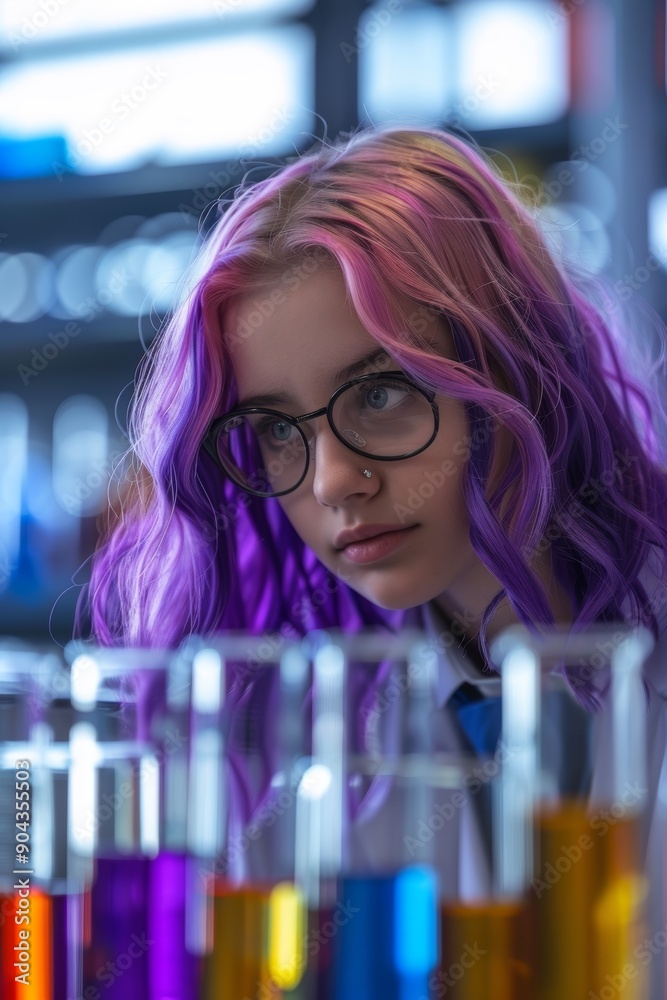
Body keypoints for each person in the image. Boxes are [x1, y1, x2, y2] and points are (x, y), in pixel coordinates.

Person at [76, 125, 667, 898]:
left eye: (380, 393)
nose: (330, 482)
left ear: (520, 368)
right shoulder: (305, 734)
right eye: (278, 430)